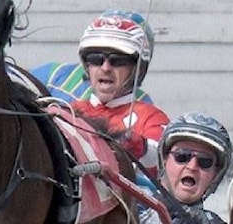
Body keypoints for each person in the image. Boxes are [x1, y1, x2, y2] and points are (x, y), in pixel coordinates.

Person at [58, 9, 169, 178]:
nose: (105, 68)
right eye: (96, 59)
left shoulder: (152, 118)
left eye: (118, 61)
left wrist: (141, 147)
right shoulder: (68, 112)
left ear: (137, 69)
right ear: (87, 66)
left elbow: (166, 162)